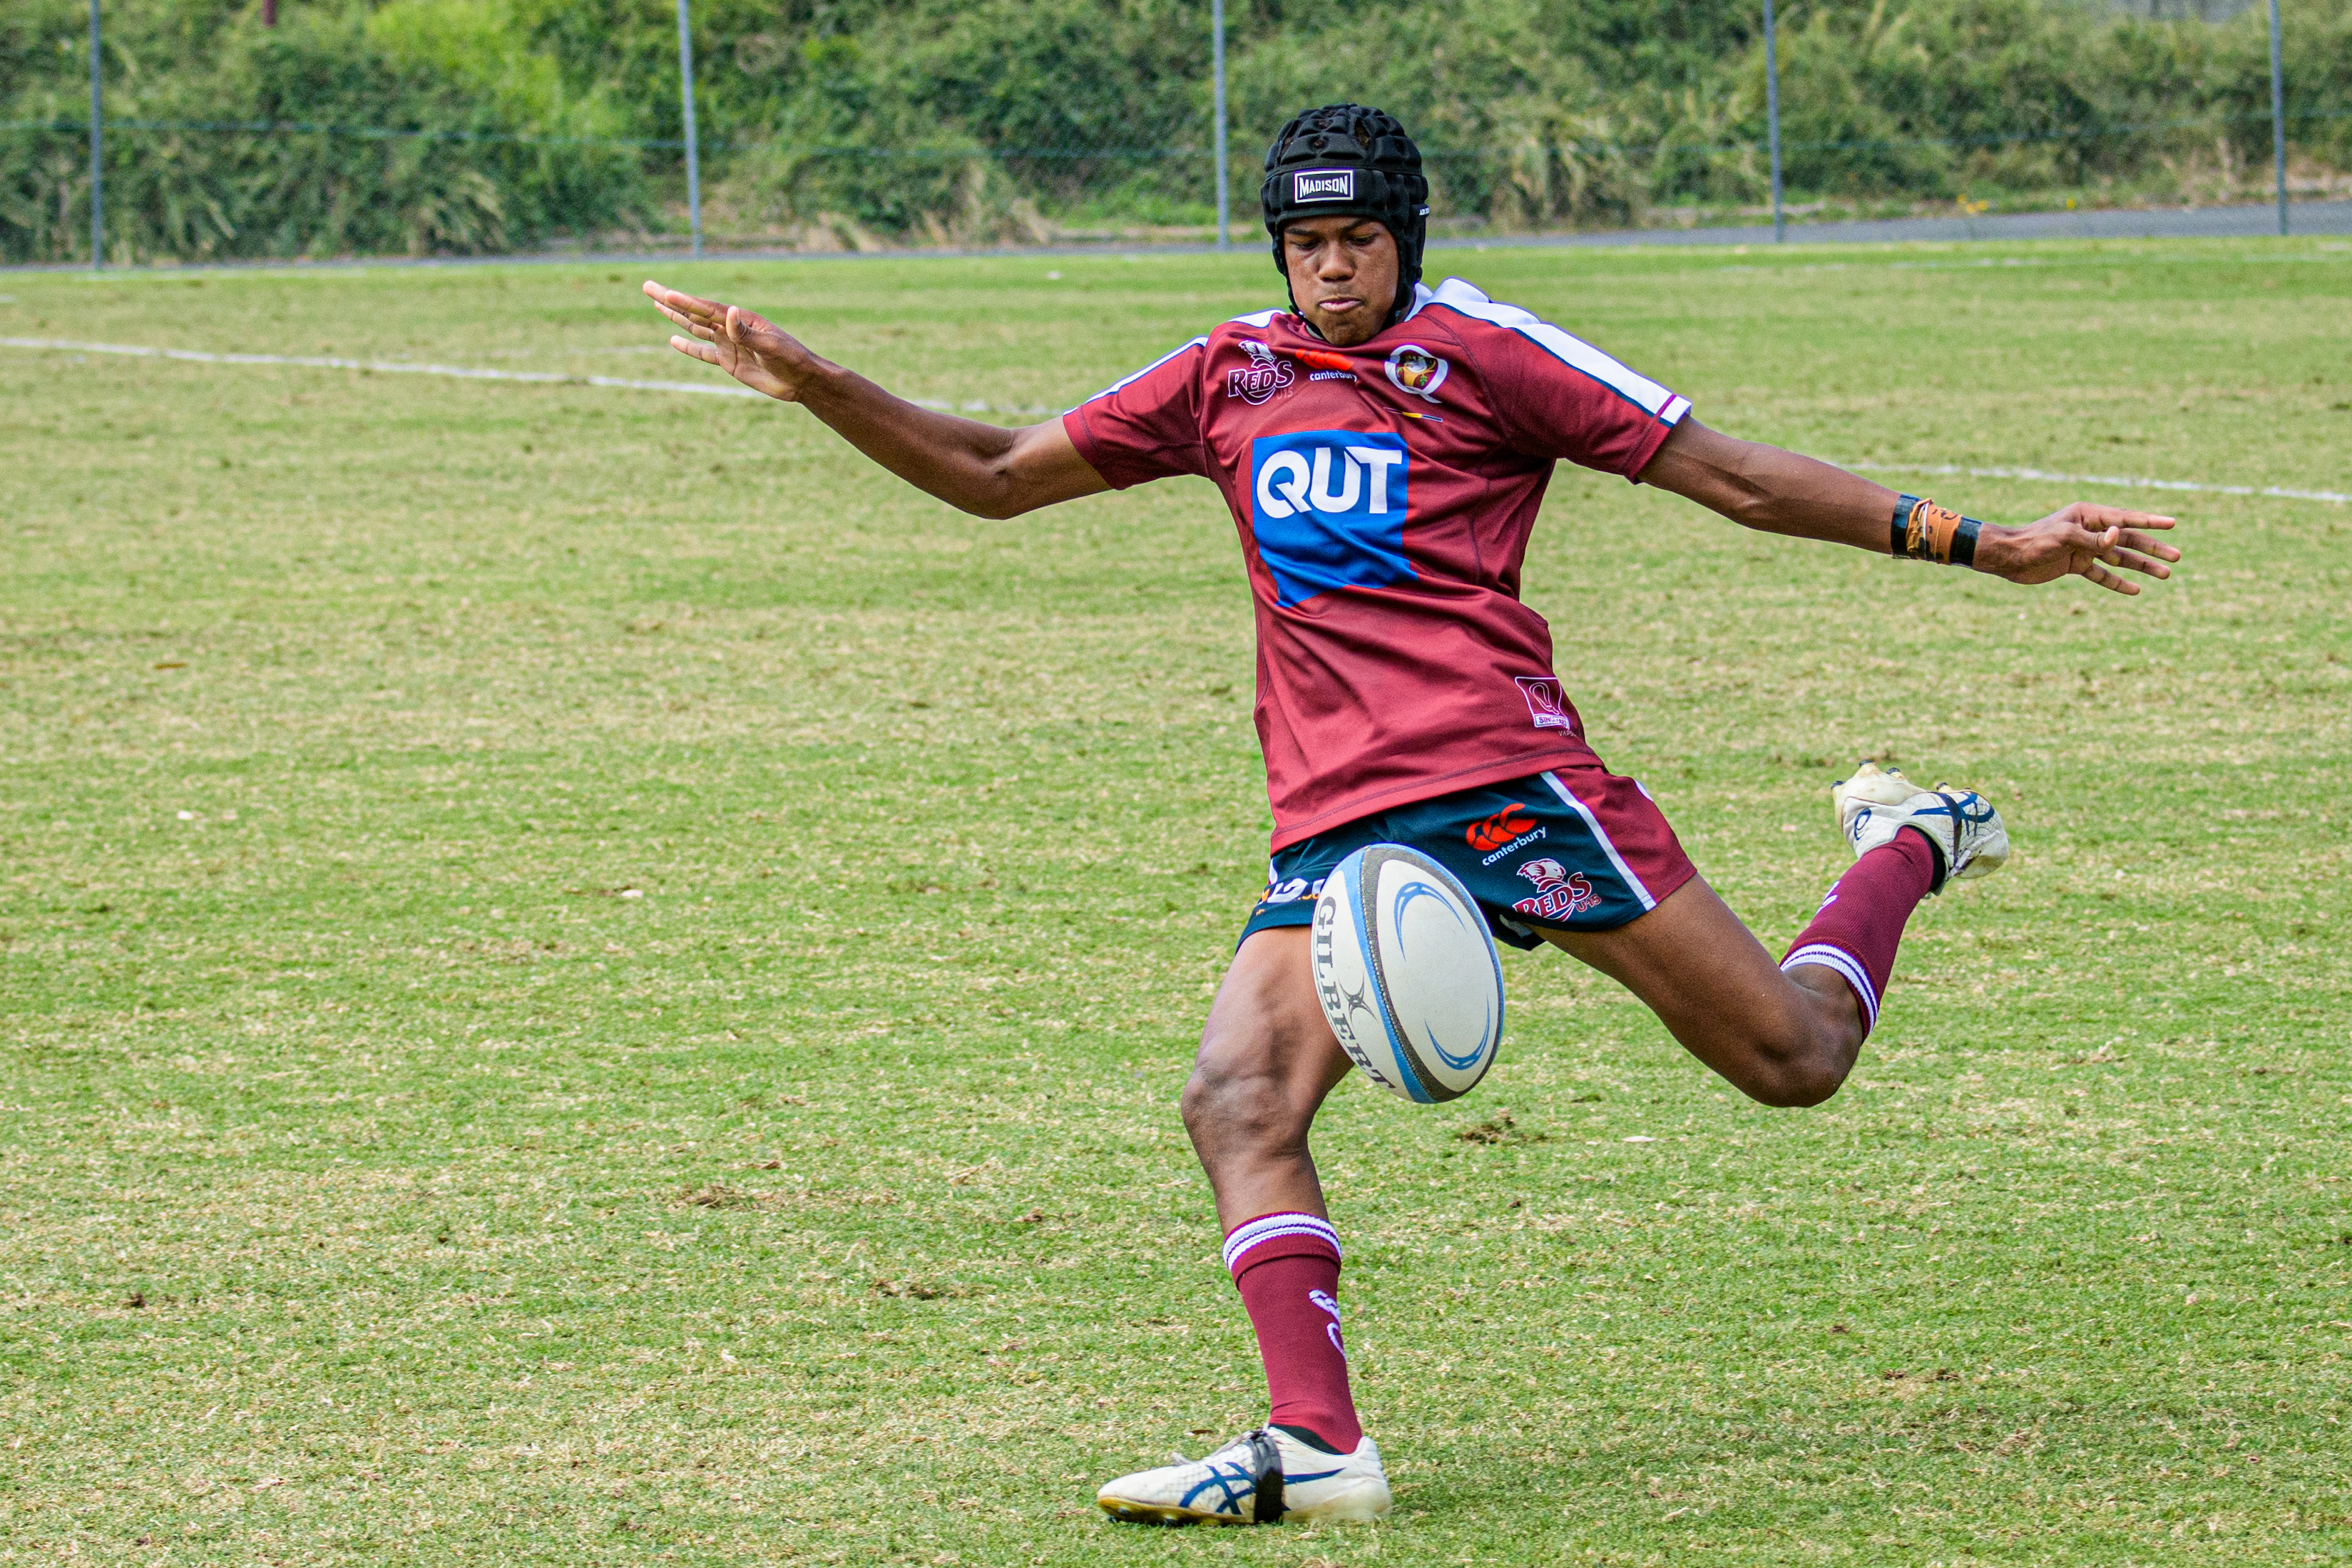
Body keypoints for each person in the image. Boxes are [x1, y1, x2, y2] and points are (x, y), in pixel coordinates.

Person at [643, 103, 2179, 1529]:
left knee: (1791, 1059)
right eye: (1303, 244)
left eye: (1355, 241)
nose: (1328, 270)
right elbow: (990, 473)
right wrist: (816, 381)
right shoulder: (1221, 377)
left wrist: (1986, 543)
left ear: (1405, 239)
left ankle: (1905, 841)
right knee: (1235, 1099)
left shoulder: (1484, 355)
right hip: (1331, 828)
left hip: (1511, 786)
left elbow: (1734, 481)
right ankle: (1316, 1447)